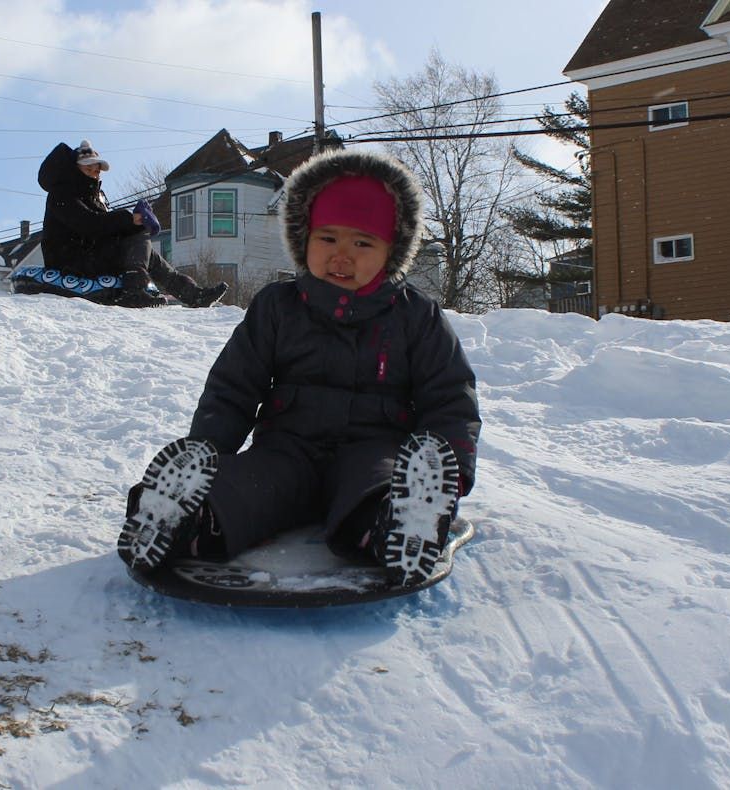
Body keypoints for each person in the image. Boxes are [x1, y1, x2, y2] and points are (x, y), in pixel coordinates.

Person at [117, 148, 481, 586]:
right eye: (327, 239)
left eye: (362, 243)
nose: (342, 256)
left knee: (375, 487)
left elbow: (449, 396)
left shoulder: (416, 316)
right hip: (289, 450)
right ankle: (184, 518)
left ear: (391, 251)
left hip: (372, 448)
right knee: (248, 487)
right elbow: (234, 386)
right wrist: (207, 450)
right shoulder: (277, 307)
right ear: (303, 239)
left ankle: (401, 524)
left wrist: (453, 470)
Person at [37, 139, 228, 308]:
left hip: (90, 253)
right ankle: (134, 290)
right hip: (70, 259)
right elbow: (89, 224)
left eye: (96, 171)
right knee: (136, 234)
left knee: (144, 247)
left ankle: (193, 294)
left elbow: (104, 229)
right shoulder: (62, 195)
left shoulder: (94, 196)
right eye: (88, 169)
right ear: (74, 169)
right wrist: (129, 220)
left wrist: (134, 224)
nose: (94, 175)